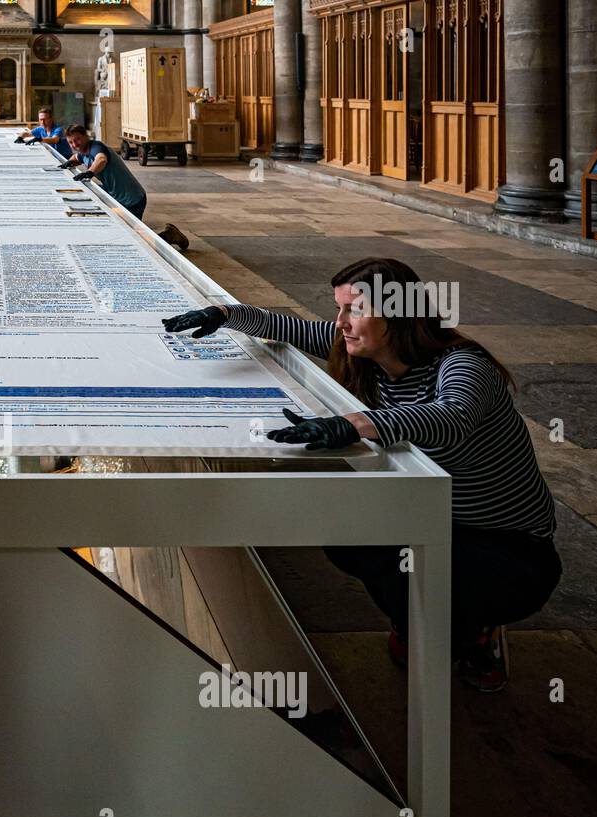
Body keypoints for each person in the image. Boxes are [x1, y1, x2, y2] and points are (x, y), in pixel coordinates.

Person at [163, 258, 561, 692]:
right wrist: (223, 315)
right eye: (339, 309)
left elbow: (453, 417)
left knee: (434, 589)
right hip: (428, 511)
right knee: (348, 536)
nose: (342, 323)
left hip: (508, 547)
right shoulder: (361, 351)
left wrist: (354, 424)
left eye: (354, 309)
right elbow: (280, 325)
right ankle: (424, 620)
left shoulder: (462, 364)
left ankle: (477, 631)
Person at [59, 124, 147, 220]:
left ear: (85, 136)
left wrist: (90, 172)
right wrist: (69, 162)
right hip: (115, 194)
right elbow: (76, 158)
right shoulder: (83, 152)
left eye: (77, 140)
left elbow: (101, 159)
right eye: (71, 142)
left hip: (131, 199)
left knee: (130, 229)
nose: (74, 145)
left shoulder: (96, 147)